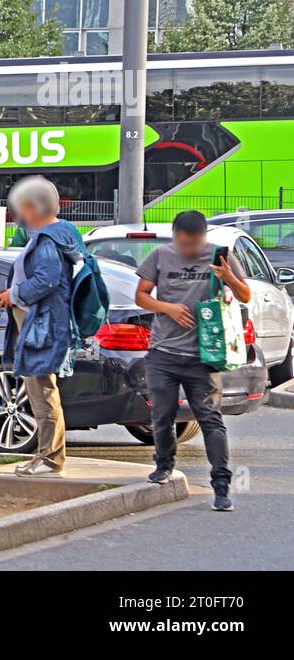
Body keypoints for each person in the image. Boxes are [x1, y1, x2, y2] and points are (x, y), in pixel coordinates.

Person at [134, 210, 249, 512]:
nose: (189, 250)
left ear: (204, 237)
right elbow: (141, 296)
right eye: (184, 244)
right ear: (175, 237)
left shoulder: (221, 256)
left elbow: (246, 295)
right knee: (162, 415)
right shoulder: (159, 256)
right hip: (163, 354)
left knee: (210, 418)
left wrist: (229, 278)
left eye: (195, 244)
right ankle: (164, 464)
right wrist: (168, 308)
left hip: (203, 356)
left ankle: (221, 486)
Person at [0, 176, 84, 477]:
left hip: (42, 325)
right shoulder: (61, 233)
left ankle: (50, 459)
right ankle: (46, 455)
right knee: (42, 390)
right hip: (45, 322)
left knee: (41, 391)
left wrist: (13, 295)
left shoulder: (47, 239)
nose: (20, 213)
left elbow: (46, 280)